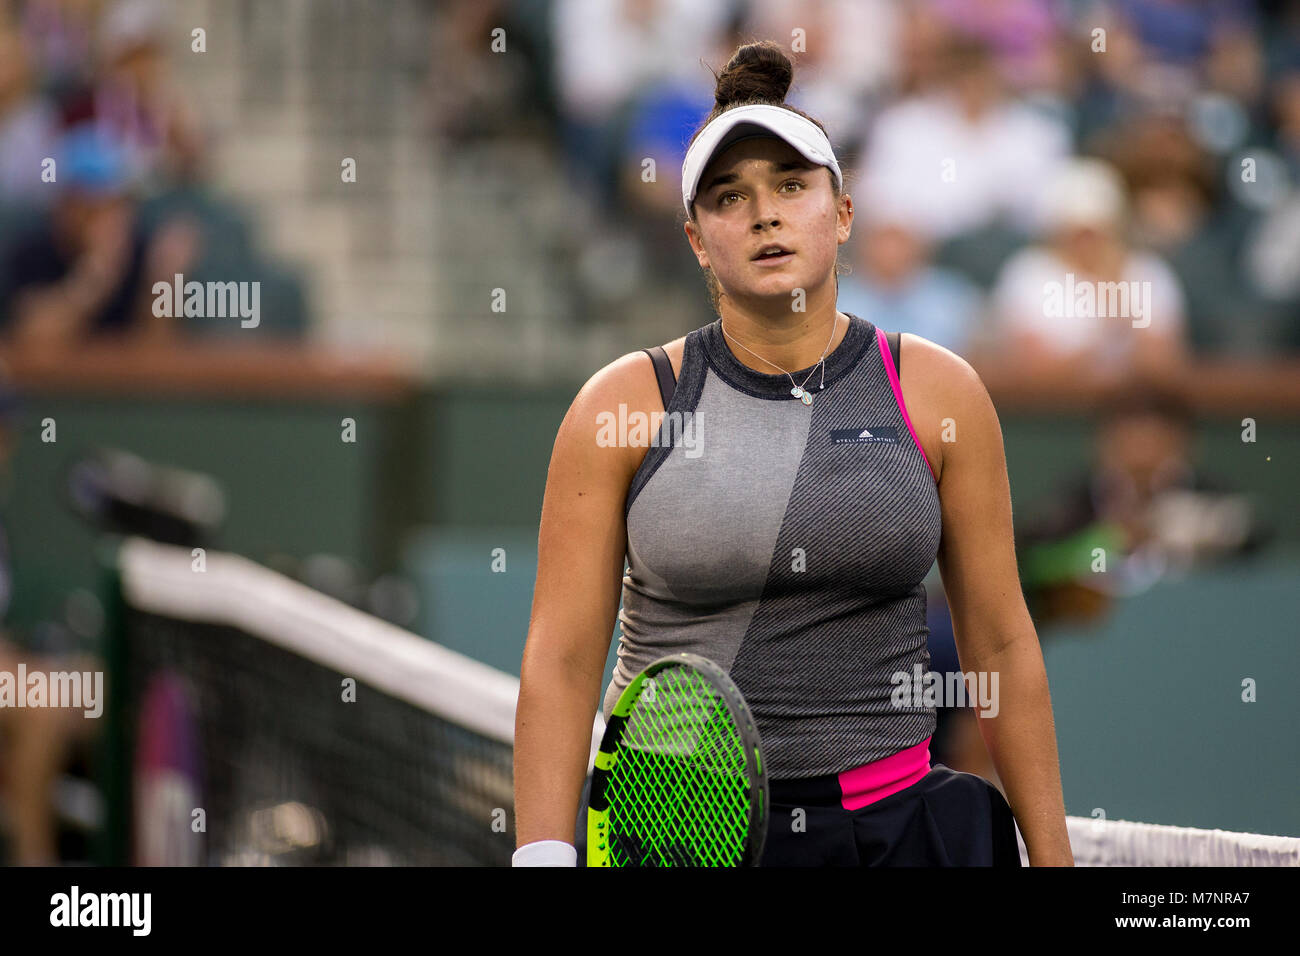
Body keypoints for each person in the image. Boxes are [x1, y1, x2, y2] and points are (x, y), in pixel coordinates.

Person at [513, 41, 1072, 867]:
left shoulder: (940, 393)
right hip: (679, 834)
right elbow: (561, 661)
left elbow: (1001, 642)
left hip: (898, 830)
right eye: (730, 197)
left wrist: (1053, 860)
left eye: (791, 186)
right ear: (698, 239)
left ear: (842, 213)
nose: (765, 214)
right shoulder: (622, 406)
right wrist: (543, 859)